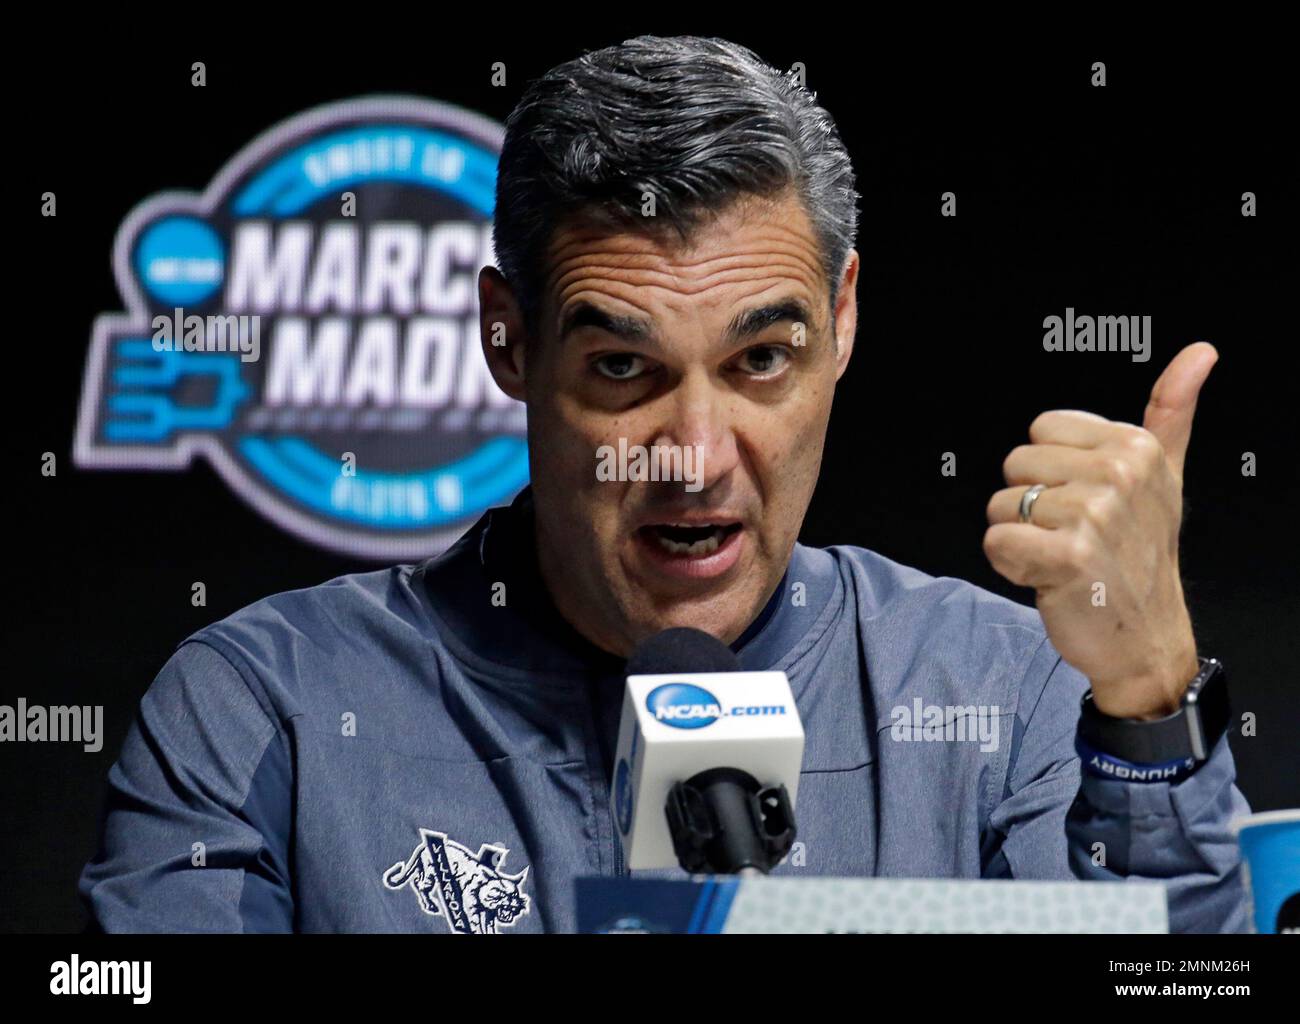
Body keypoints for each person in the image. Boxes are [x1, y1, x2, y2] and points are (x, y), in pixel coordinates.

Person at [79, 35, 1249, 934]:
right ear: (509, 341)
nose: (691, 455)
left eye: (759, 361)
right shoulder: (257, 712)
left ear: (841, 323)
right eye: (623, 367)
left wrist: (1150, 702)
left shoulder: (1009, 693)